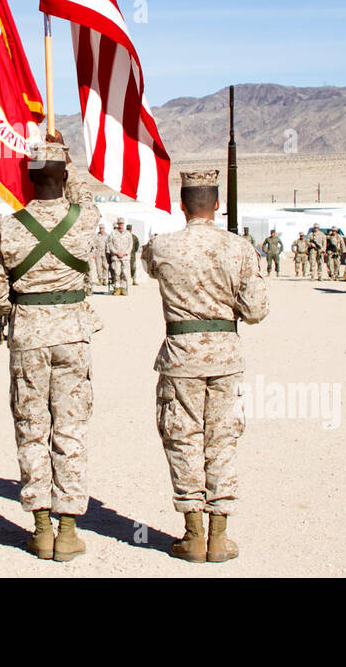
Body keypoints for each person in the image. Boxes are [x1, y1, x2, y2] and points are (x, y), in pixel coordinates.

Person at [0, 136, 100, 562]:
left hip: (28, 338)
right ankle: (68, 531)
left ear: (27, 179)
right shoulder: (84, 218)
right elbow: (84, 194)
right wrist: (66, 157)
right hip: (73, 336)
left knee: (32, 429)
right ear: (65, 176)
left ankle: (41, 527)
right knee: (70, 428)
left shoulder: (6, 228)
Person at [143, 170, 269, 563]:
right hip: (225, 357)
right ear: (217, 205)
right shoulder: (240, 248)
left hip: (181, 357)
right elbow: (257, 311)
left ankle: (193, 534)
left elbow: (149, 265)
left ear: (182, 205)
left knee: (182, 440)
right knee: (222, 441)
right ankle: (220, 536)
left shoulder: (163, 246)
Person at [107, 219, 134, 295]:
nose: (120, 225)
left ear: (124, 224)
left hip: (125, 257)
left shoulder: (128, 233)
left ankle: (123, 288)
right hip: (116, 257)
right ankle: (117, 288)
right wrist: (116, 253)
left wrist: (125, 253)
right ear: (117, 224)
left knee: (125, 273)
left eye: (122, 223)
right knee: (116, 273)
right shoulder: (113, 233)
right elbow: (110, 244)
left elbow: (130, 245)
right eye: (119, 223)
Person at [91, 226, 109, 292]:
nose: (101, 229)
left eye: (102, 228)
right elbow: (93, 245)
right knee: (98, 267)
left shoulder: (107, 236)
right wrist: (93, 254)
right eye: (100, 228)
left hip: (105, 253)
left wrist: (108, 253)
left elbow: (109, 244)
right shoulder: (96, 236)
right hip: (98, 252)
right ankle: (100, 279)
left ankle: (105, 279)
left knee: (105, 267)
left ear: (104, 229)